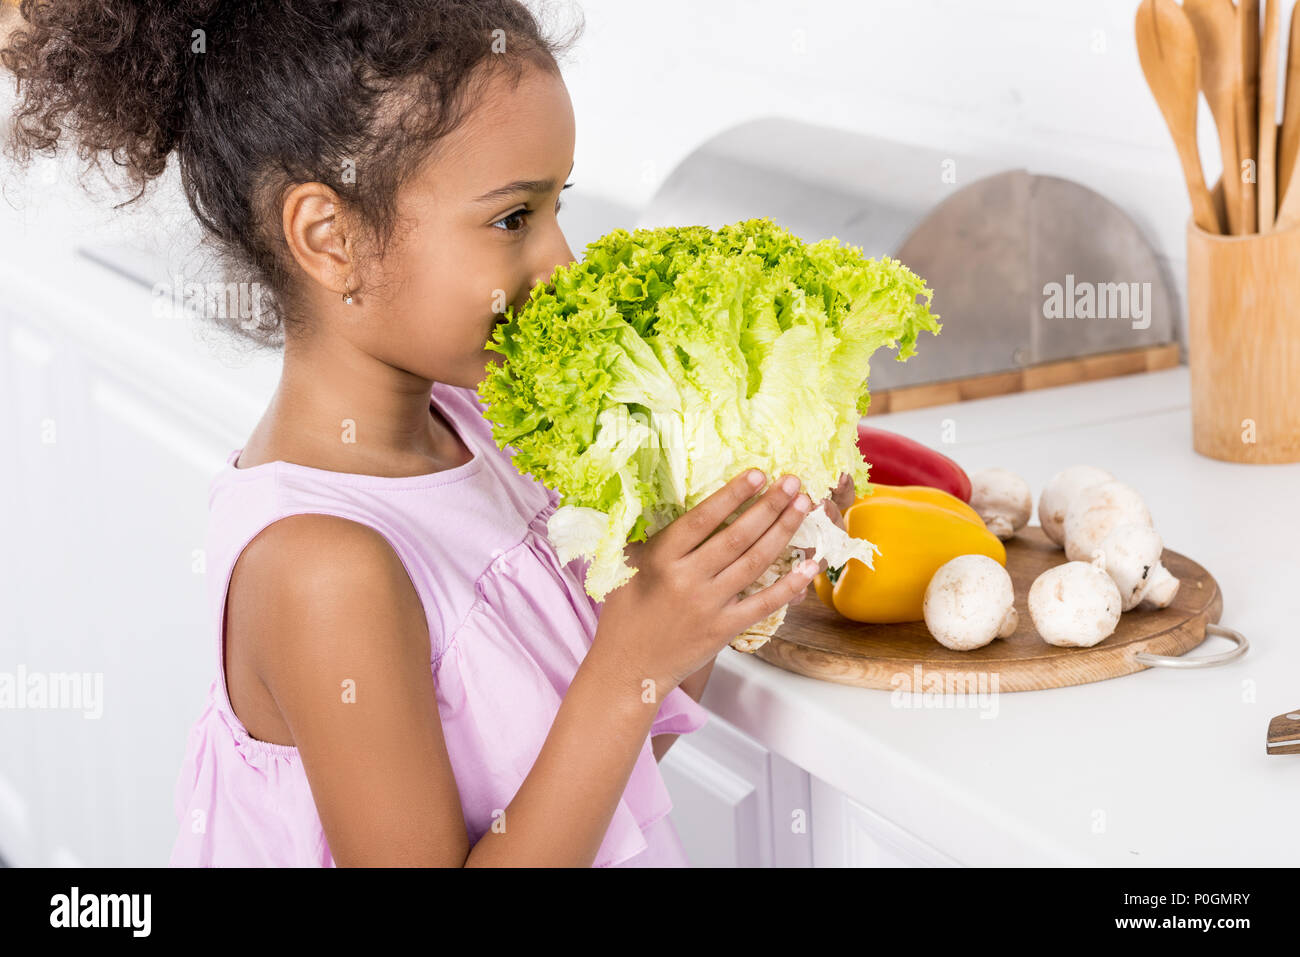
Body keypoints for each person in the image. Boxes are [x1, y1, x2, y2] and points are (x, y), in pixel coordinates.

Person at [1, 0, 851, 866]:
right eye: (514, 218)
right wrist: (630, 655)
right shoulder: (322, 568)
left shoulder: (488, 430)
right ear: (329, 239)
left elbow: (597, 786)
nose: (562, 260)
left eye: (560, 202)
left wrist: (721, 573)